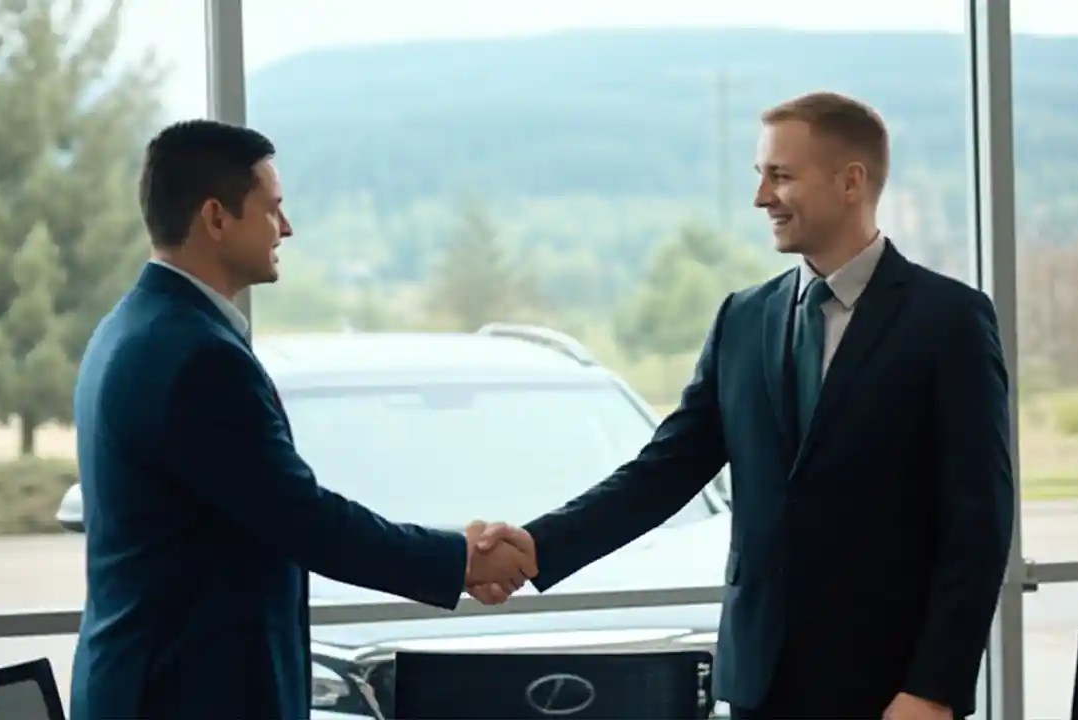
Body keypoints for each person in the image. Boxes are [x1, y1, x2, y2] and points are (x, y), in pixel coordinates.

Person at [474, 92, 1014, 720]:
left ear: (851, 181)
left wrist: (934, 688)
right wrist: (539, 545)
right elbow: (663, 471)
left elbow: (978, 522)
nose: (761, 198)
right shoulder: (743, 318)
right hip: (759, 684)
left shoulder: (949, 320)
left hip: (892, 691)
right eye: (760, 176)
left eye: (780, 176)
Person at [68, 119, 535, 720]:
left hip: (140, 682)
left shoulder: (129, 329)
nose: (286, 228)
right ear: (216, 219)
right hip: (189, 694)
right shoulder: (196, 357)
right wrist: (459, 560)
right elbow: (301, 517)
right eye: (272, 209)